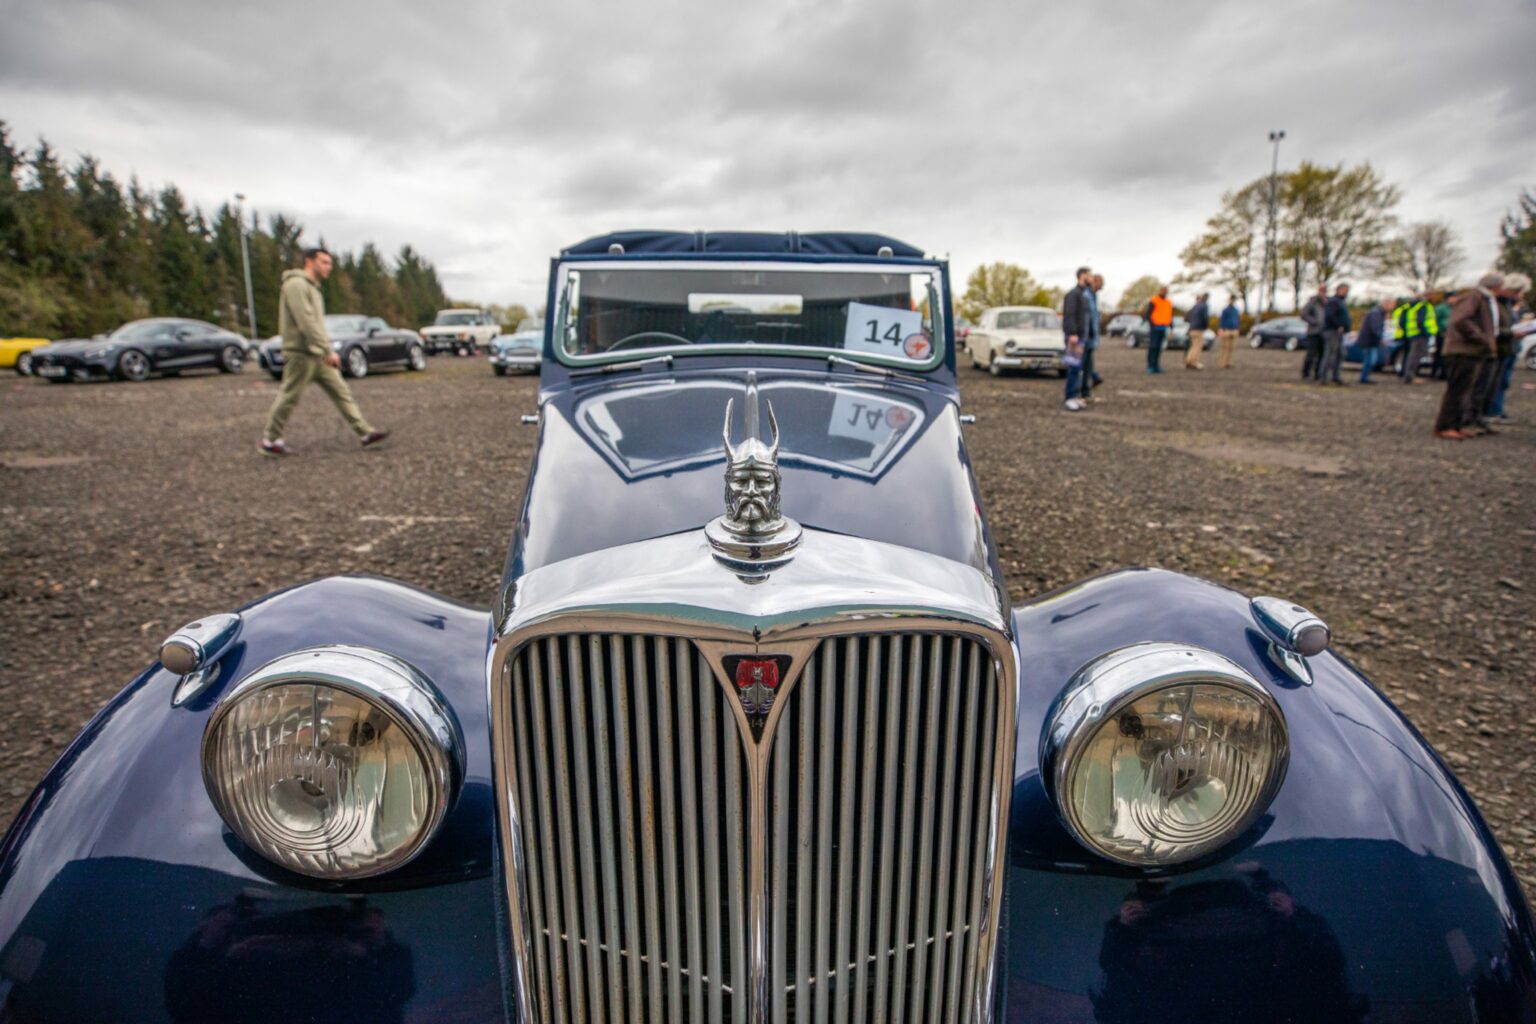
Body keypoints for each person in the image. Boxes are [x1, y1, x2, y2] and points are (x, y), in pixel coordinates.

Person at [261, 247, 389, 455]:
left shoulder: (314, 288)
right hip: (301, 354)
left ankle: (365, 433)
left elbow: (316, 324)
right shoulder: (296, 285)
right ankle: (270, 440)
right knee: (289, 396)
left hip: (318, 355)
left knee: (341, 392)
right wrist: (327, 349)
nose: (329, 267)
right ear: (310, 262)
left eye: (330, 263)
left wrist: (323, 350)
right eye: (324, 262)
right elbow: (306, 322)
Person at [1434, 272, 1501, 440]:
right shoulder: (1474, 298)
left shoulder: (1483, 299)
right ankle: (1445, 426)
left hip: (1472, 352)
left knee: (1465, 390)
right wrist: (1482, 338)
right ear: (1495, 286)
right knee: (1457, 390)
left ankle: (1456, 425)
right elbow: (1459, 320)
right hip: (1463, 351)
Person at [1485, 273, 1530, 422]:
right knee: (1496, 382)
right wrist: (1512, 332)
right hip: (1502, 347)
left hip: (1509, 347)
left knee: (1502, 381)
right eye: (1517, 292)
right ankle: (1492, 411)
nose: (1519, 295)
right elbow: (1493, 327)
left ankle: (1495, 409)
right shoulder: (1496, 304)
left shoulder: (1507, 305)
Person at [1062, 266, 1096, 411]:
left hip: (1085, 338)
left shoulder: (1085, 295)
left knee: (1081, 369)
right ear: (1082, 276)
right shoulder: (1073, 294)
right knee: (1074, 368)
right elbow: (1069, 315)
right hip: (1076, 338)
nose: (1092, 278)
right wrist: (1072, 333)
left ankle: (1076, 396)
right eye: (1089, 275)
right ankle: (1069, 397)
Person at [1393, 292, 1437, 383]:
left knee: (1411, 355)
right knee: (1415, 356)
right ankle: (1410, 377)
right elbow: (1420, 321)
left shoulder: (1409, 307)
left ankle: (1408, 375)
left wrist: (1406, 332)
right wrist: (1425, 333)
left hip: (1411, 334)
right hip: (1419, 335)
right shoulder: (1422, 306)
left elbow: (1402, 322)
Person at [1354, 296, 1395, 383]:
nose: (1393, 307)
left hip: (1371, 341)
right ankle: (1364, 378)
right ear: (1386, 304)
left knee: (1371, 360)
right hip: (1368, 340)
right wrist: (1381, 338)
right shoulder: (1376, 313)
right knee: (1370, 360)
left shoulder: (1379, 313)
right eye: (1392, 305)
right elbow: (1375, 328)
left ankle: (1365, 377)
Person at [1320, 283, 1351, 385]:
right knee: (1330, 354)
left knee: (1340, 354)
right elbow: (1330, 315)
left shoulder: (1341, 302)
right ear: (1339, 290)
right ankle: (1323, 377)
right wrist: (1338, 325)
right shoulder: (1333, 302)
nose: (1347, 293)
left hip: (1339, 333)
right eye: (1345, 290)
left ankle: (1335, 376)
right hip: (1332, 332)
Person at [1300, 285, 1327, 380]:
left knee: (1322, 354)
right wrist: (1314, 322)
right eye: (1322, 291)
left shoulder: (1327, 303)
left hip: (1324, 333)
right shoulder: (1313, 302)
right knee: (1311, 354)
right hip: (1313, 332)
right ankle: (1305, 373)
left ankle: (1317, 374)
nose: (1323, 293)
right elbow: (1304, 314)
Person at [1145, 285, 1173, 374]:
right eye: (1162, 290)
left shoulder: (1168, 302)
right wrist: (1152, 325)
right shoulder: (1154, 300)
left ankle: (1156, 366)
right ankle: (1150, 366)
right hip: (1155, 327)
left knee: (1159, 348)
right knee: (1153, 347)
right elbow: (1148, 314)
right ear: (1160, 291)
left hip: (1164, 327)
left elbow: (1169, 315)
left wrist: (1171, 327)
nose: (1164, 292)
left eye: (1165, 290)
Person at [1088, 273, 1108, 394]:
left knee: (1087, 359)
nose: (1102, 286)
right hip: (1086, 333)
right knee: (1082, 360)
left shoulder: (1093, 295)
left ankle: (1092, 378)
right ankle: (1092, 378)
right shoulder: (1087, 294)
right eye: (1100, 284)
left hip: (1091, 333)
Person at [1184, 292, 1209, 370]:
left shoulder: (1195, 306)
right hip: (1198, 328)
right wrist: (1205, 326)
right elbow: (1205, 317)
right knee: (1197, 346)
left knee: (1193, 346)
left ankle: (1189, 360)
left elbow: (1187, 317)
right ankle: (1194, 362)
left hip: (1192, 328)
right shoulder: (1204, 306)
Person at [1431, 290, 1452, 379]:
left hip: (1449, 334)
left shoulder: (1452, 308)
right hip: (1441, 333)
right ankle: (1435, 372)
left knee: (1446, 354)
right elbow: (1435, 320)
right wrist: (1440, 328)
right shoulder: (1441, 308)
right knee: (1439, 354)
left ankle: (1444, 373)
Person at [1217, 294, 1240, 368]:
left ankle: (1228, 362)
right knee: (1225, 347)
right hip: (1226, 330)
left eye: (1233, 300)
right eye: (1231, 299)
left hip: (1234, 330)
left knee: (1231, 348)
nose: (1232, 301)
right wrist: (1221, 329)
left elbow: (1237, 320)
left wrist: (1237, 328)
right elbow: (1222, 320)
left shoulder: (1236, 310)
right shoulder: (1225, 310)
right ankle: (1222, 363)